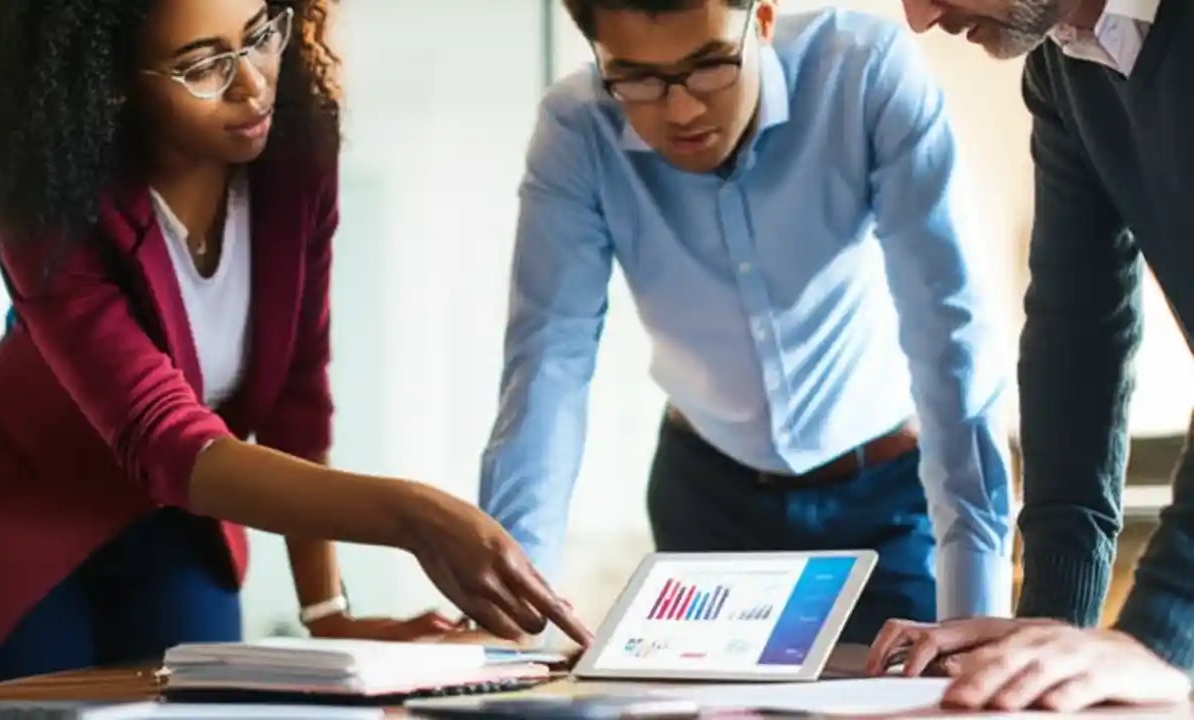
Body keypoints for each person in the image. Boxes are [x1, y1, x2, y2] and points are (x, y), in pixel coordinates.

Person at [0, 0, 590, 686]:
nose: (254, 83)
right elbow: (162, 436)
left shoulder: (294, 153)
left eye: (262, 32)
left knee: (211, 702)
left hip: (176, 516)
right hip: (14, 509)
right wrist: (413, 515)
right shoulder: (47, 203)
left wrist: (326, 609)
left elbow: (297, 392)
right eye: (203, 64)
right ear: (112, 79)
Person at [477, 0, 1015, 646]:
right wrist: (501, 622)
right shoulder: (576, 130)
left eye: (709, 67)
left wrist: (977, 618)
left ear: (760, 18)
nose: (680, 111)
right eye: (637, 79)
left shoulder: (864, 73)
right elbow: (547, 366)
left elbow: (948, 330)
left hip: (889, 502)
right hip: (709, 499)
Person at [864, 0, 1194, 712]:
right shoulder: (1064, 69)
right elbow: (1078, 338)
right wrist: (1048, 627)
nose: (919, 18)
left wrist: (1162, 634)